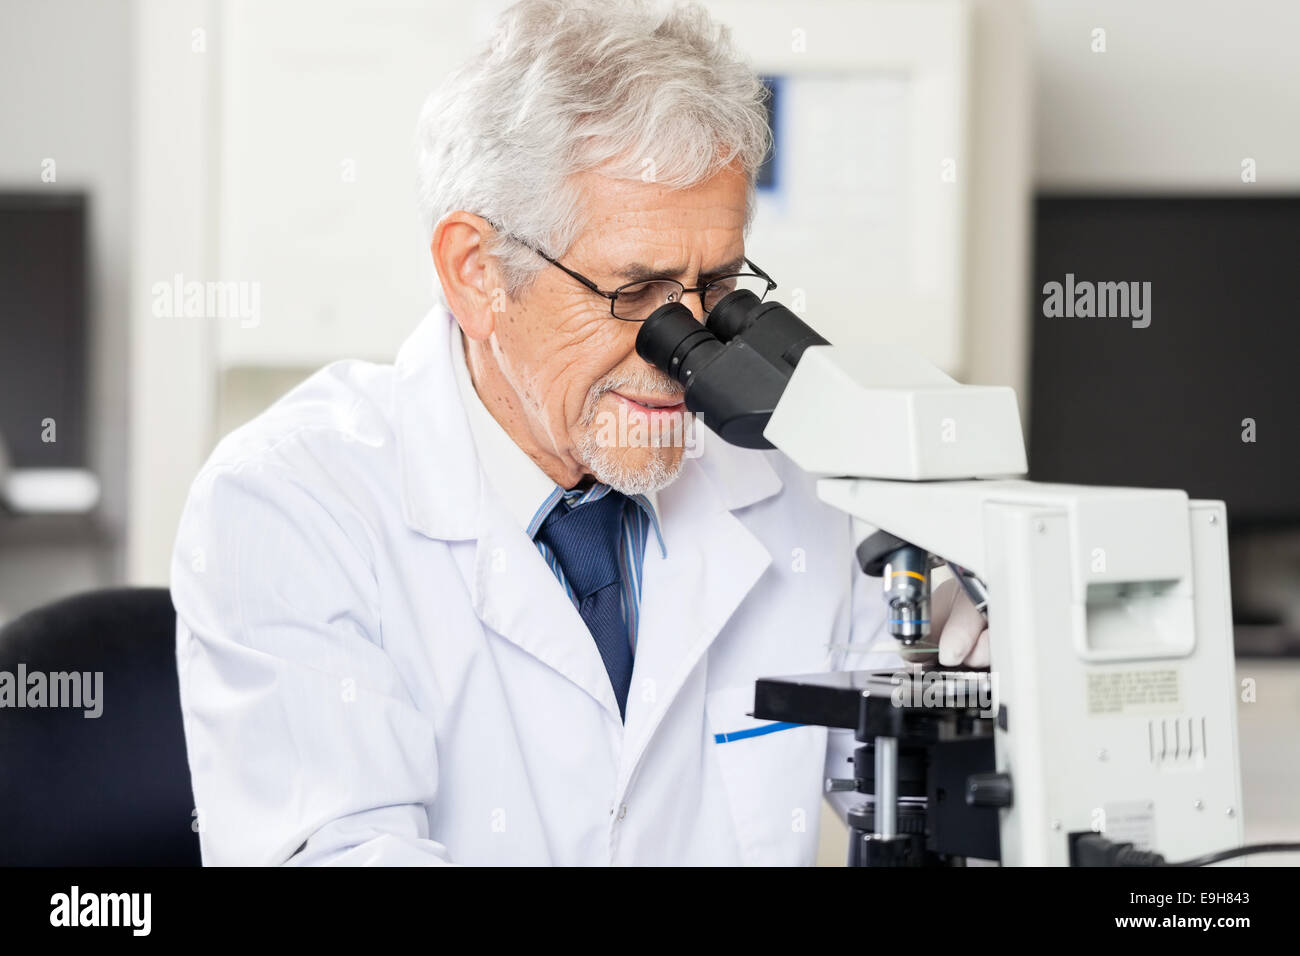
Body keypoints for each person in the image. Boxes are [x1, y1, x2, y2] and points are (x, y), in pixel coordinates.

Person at [171, 0, 989, 866]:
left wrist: (1005, 656)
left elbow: (930, 785)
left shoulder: (788, 481)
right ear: (477, 273)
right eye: (634, 293)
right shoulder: (291, 503)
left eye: (716, 285)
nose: (686, 351)